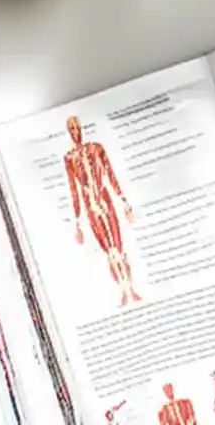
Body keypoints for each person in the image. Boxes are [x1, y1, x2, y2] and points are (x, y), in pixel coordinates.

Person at [64, 115, 140, 306]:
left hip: (104, 198)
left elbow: (110, 174)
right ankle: (123, 291)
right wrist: (77, 224)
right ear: (69, 132)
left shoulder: (96, 148)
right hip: (90, 205)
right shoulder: (70, 158)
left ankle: (131, 288)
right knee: (109, 251)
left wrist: (125, 203)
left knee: (119, 247)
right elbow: (74, 190)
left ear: (82, 127)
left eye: (77, 127)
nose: (76, 132)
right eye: (71, 128)